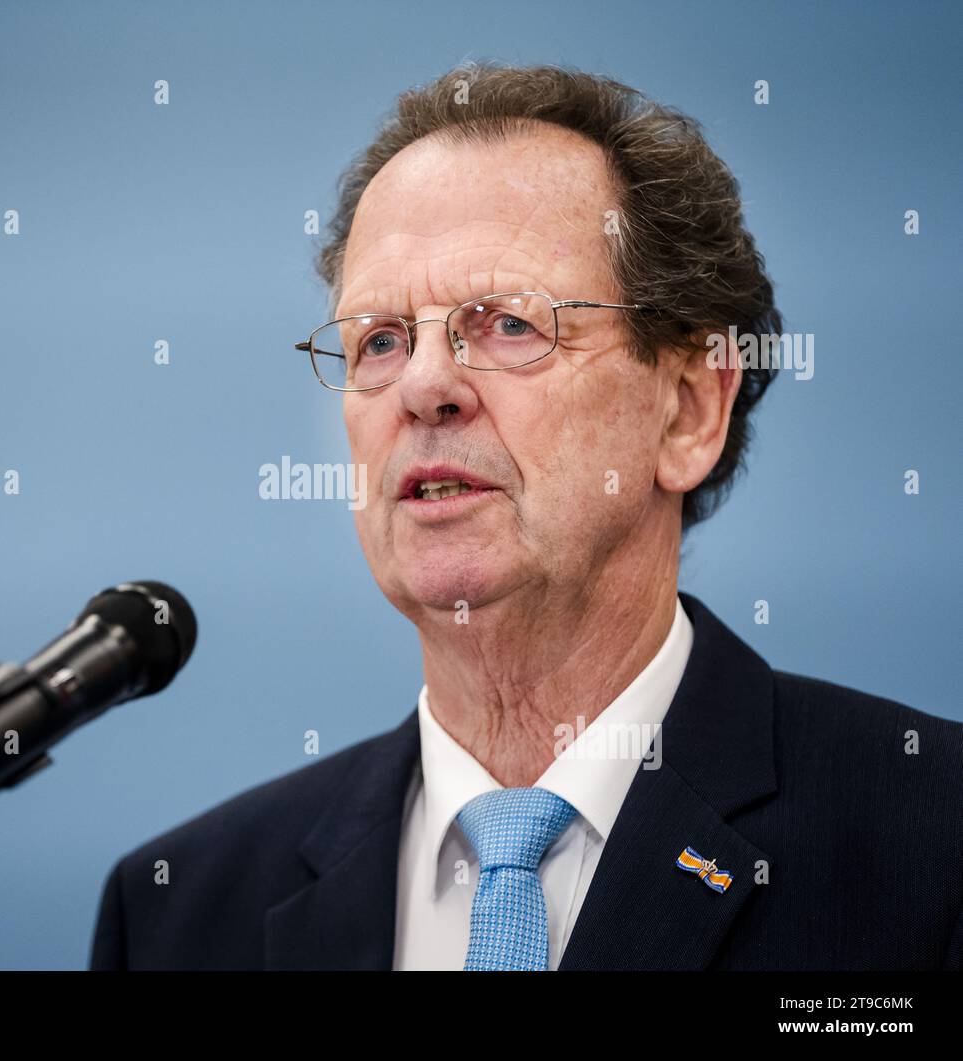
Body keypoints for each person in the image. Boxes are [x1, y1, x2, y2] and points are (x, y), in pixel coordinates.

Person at [90, 62, 963, 970]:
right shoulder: (178, 914)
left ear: (689, 410)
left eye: (508, 323)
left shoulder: (931, 838)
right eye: (381, 340)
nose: (425, 385)